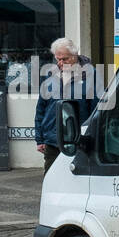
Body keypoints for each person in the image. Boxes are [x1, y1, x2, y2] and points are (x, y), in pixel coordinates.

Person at [35, 37, 100, 174]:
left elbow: (96, 109)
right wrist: (39, 139)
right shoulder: (49, 75)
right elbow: (41, 108)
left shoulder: (90, 74)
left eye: (64, 59)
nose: (60, 63)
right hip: (53, 139)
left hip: (77, 139)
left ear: (74, 55)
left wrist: (90, 136)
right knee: (51, 179)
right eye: (57, 59)